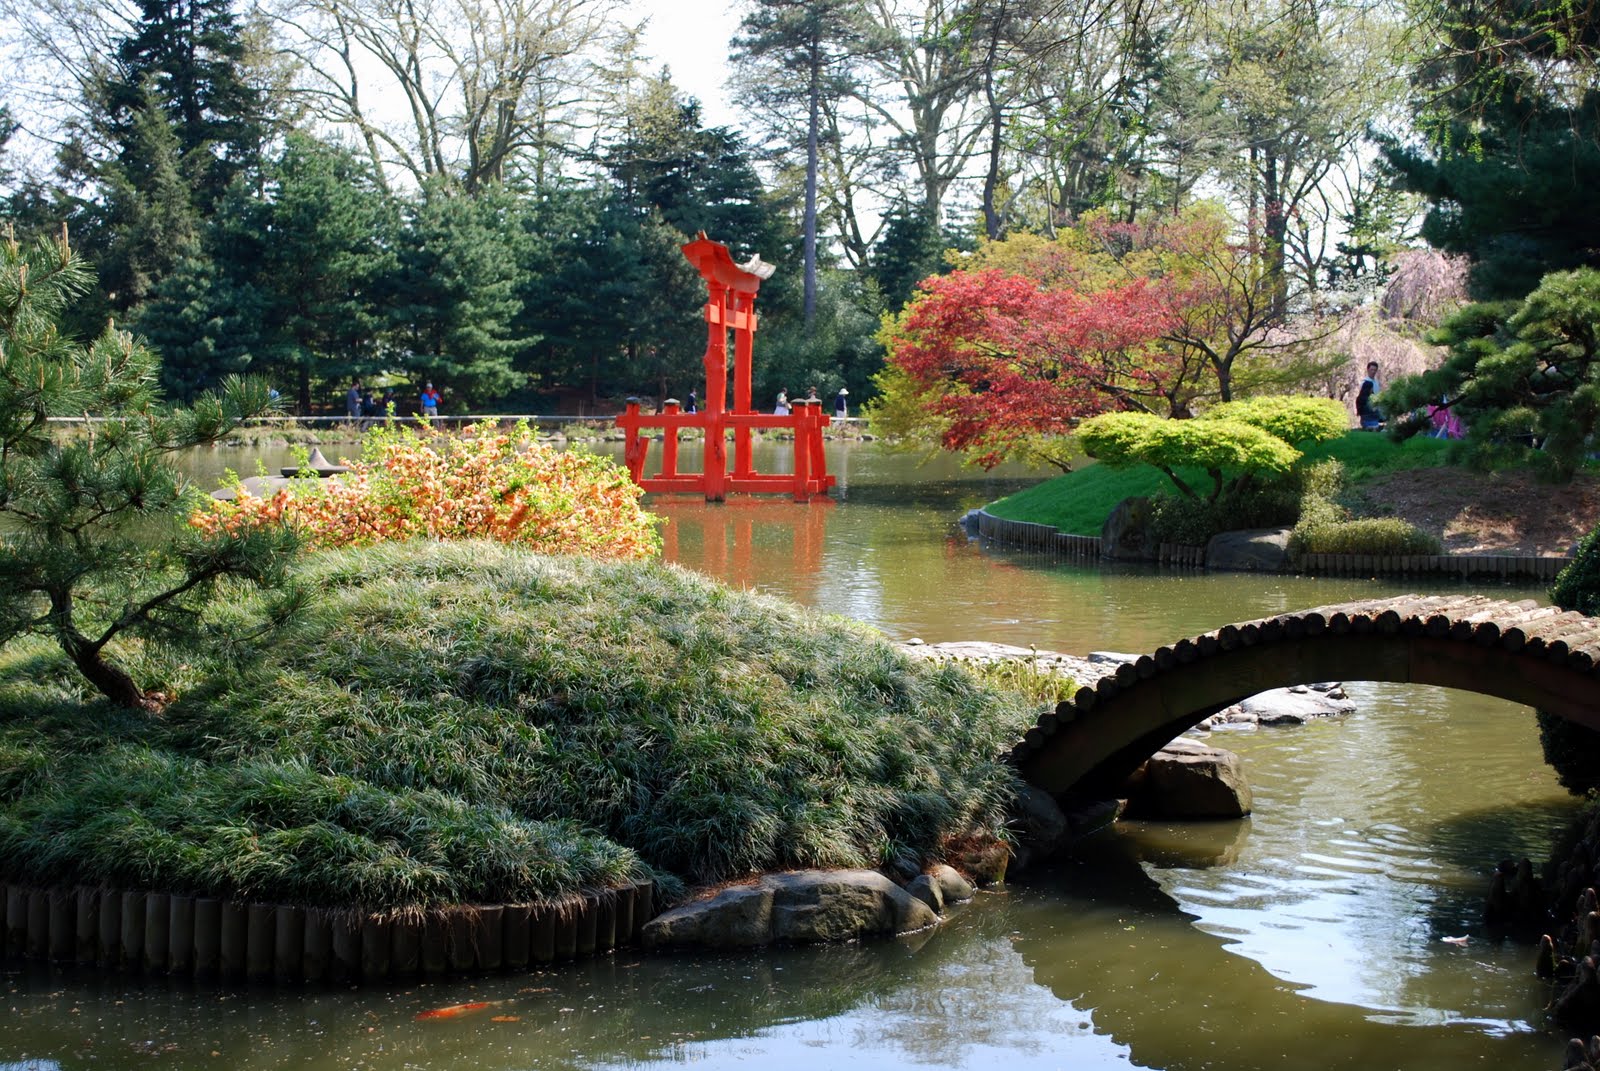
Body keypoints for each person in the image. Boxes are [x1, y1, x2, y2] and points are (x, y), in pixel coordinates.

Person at [1356, 362, 1383, 430]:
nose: (1373, 372)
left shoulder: (1376, 382)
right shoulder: (1365, 382)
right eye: (1372, 369)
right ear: (1368, 370)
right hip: (1368, 409)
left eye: (1375, 370)